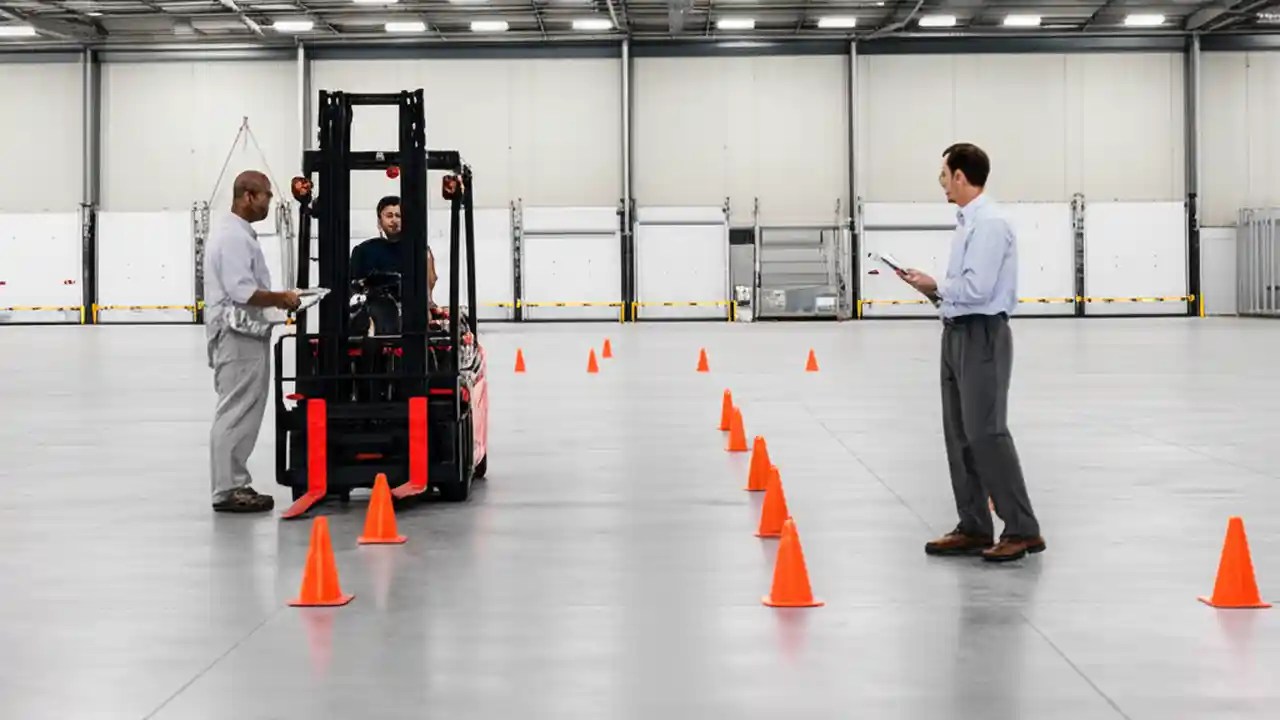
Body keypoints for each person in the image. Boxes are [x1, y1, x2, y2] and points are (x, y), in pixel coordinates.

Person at [899, 143, 1045, 562]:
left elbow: (978, 290)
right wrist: (934, 294)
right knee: (960, 434)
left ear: (961, 176)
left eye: (944, 176)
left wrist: (936, 284)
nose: (942, 184)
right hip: (956, 331)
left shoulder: (990, 223)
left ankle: (1022, 529)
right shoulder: (967, 223)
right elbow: (964, 290)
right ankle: (975, 525)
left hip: (982, 334)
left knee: (987, 433)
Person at [204, 170, 300, 513]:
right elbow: (241, 291)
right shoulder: (233, 237)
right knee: (237, 410)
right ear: (248, 196)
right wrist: (282, 298)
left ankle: (233, 484)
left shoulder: (238, 234)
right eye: (267, 196)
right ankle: (229, 489)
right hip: (237, 336)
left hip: (245, 334)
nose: (269, 202)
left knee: (242, 407)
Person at [349, 195, 437, 303]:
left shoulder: (419, 249)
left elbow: (430, 281)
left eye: (398, 216)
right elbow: (354, 286)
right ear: (379, 221)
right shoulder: (363, 250)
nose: (394, 220)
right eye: (389, 216)